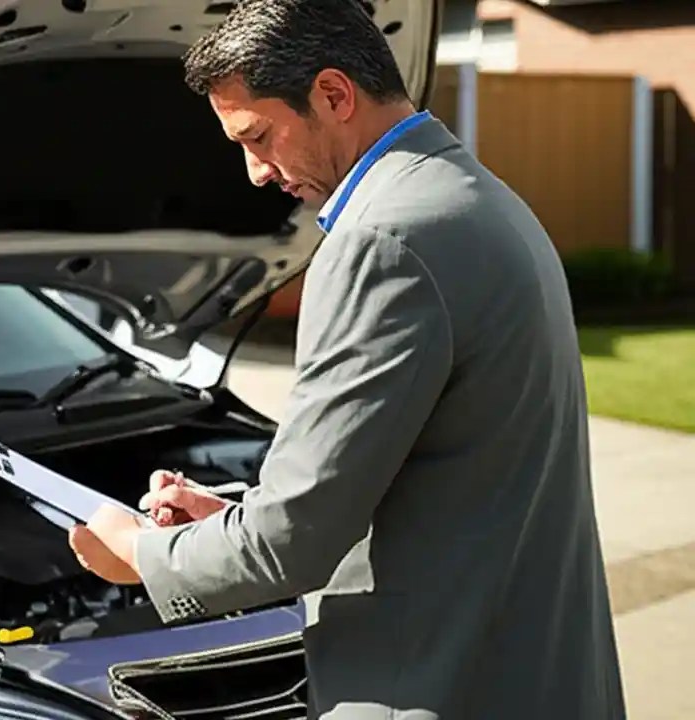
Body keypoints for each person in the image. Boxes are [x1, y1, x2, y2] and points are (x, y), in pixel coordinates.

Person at [66, 0, 626, 717]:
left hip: (438, 689)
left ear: (333, 94)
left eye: (258, 136)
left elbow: (291, 544)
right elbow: (441, 471)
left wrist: (142, 554)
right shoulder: (479, 198)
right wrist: (229, 516)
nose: (255, 173)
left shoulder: (381, 244)